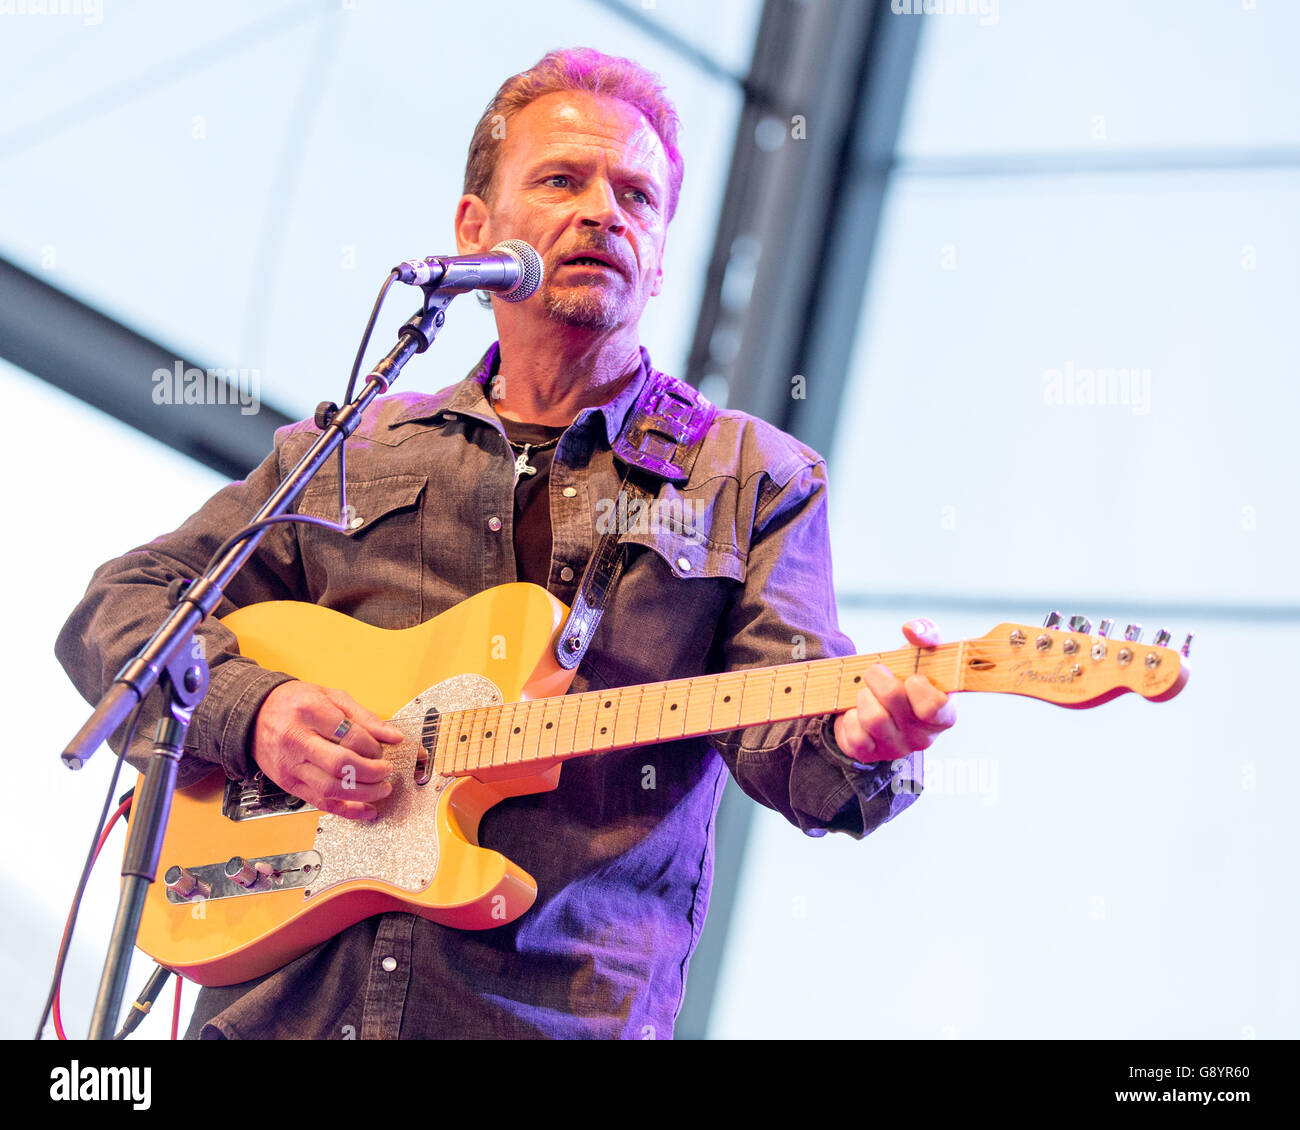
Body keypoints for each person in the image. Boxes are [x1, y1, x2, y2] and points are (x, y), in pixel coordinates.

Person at [56, 47, 955, 1039]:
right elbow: (123, 606)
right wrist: (255, 709)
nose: (604, 212)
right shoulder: (352, 444)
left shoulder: (747, 478)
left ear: (660, 256)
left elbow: (799, 743)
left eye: (638, 197)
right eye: (563, 180)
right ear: (473, 230)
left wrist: (867, 742)